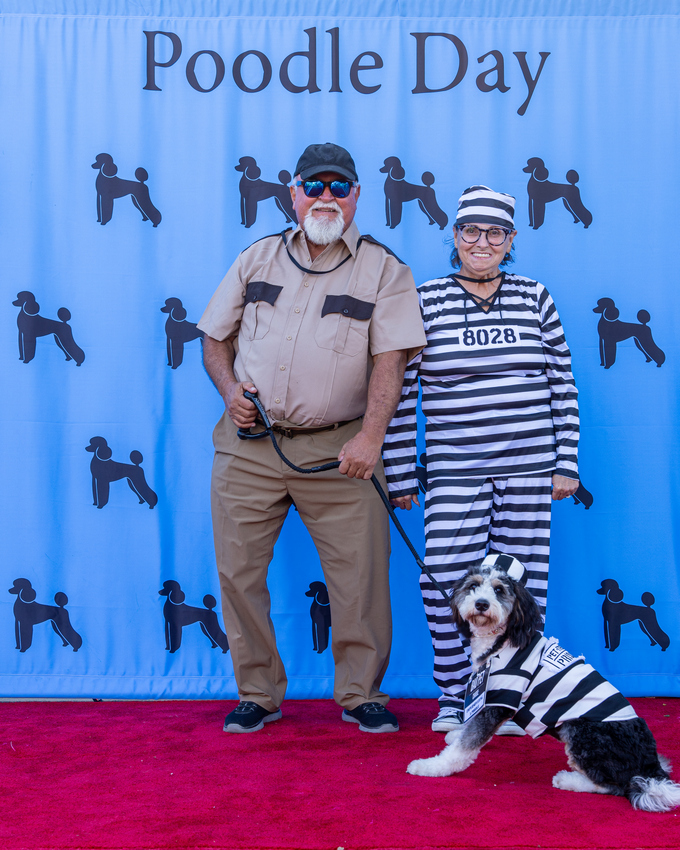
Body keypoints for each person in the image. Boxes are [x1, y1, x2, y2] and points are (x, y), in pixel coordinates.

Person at [198, 142, 426, 734]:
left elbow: (392, 361)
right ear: (293, 192)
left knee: (360, 576)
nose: (327, 197)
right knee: (237, 572)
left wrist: (372, 438)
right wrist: (229, 392)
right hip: (250, 446)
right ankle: (257, 692)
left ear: (356, 197)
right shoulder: (256, 258)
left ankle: (361, 694)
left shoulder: (386, 269)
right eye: (315, 186)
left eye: (339, 187)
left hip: (342, 449)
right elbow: (214, 338)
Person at [383, 185, 579, 735]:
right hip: (454, 470)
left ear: (511, 239)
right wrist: (399, 472)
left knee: (523, 587)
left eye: (495, 233)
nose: (483, 242)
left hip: (530, 467)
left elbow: (561, 385)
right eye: (472, 231)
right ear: (455, 235)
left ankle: (512, 699)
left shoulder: (535, 296)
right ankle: (454, 695)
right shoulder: (425, 300)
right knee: (446, 581)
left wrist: (566, 463)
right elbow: (401, 394)